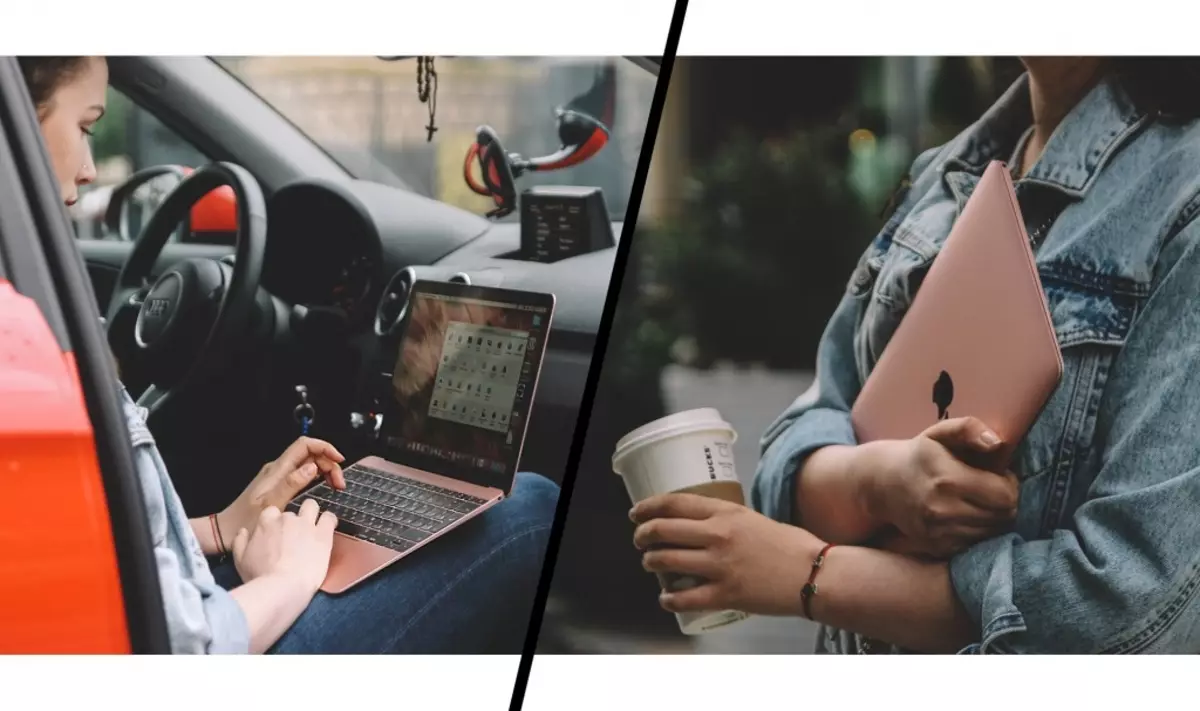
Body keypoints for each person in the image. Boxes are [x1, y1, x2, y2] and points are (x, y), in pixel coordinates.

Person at [631, 57, 1200, 654]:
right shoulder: (949, 171)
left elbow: (1127, 608)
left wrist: (809, 575)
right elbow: (799, 438)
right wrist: (877, 482)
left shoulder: (1181, 201)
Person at [18, 56, 560, 654]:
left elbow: (89, 550)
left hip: (167, 605)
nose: (91, 168)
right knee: (532, 510)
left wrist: (221, 528)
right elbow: (184, 651)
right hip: (202, 645)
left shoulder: (22, 292)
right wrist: (284, 580)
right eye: (87, 125)